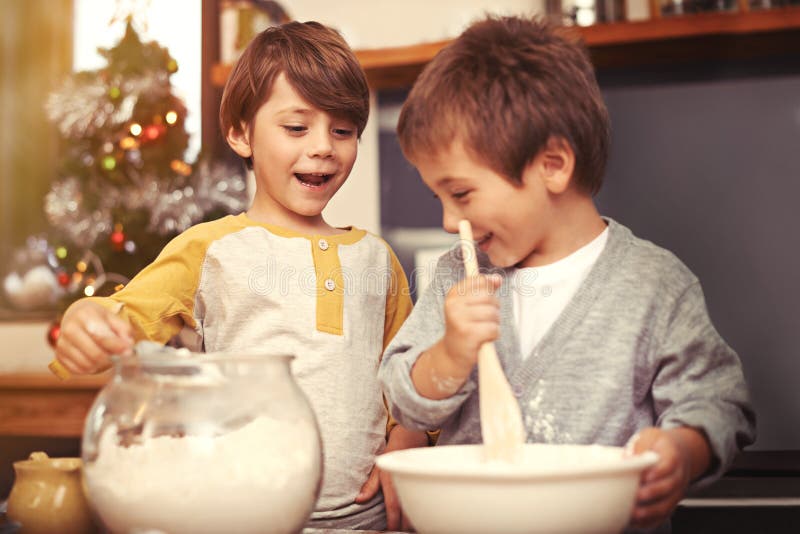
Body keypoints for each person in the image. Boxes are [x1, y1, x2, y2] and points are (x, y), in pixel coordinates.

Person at [378, 15, 756, 533]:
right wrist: (448, 355)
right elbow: (405, 399)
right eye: (438, 198)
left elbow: (717, 401)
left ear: (552, 165)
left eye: (461, 194)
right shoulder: (455, 277)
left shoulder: (653, 285)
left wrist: (681, 452)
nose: (447, 222)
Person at [54, 21, 426, 531]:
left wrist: (406, 439)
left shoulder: (377, 259)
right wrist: (84, 318)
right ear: (240, 134)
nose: (323, 146)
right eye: (297, 127)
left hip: (369, 520)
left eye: (342, 130)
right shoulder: (210, 248)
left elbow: (410, 373)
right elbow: (122, 315)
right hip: (242, 514)